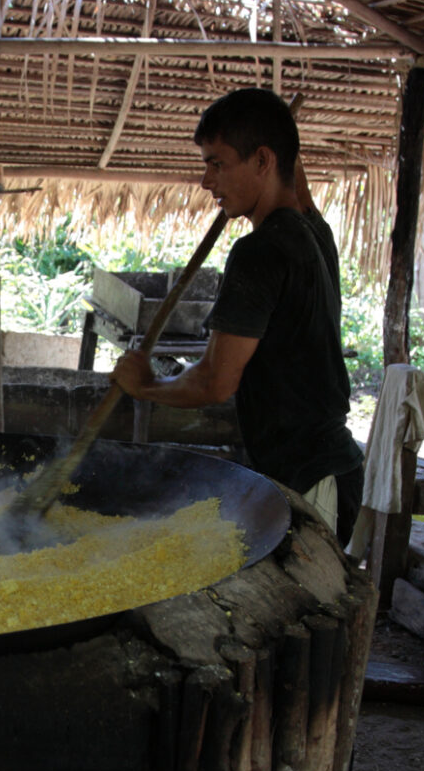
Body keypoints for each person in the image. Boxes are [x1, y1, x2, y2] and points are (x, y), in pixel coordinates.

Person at [112, 87, 364, 543]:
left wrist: (145, 385)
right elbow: (293, 180)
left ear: (264, 161)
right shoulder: (315, 230)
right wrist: (279, 137)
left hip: (308, 479)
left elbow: (215, 381)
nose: (207, 181)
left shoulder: (259, 252)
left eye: (217, 163)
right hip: (335, 468)